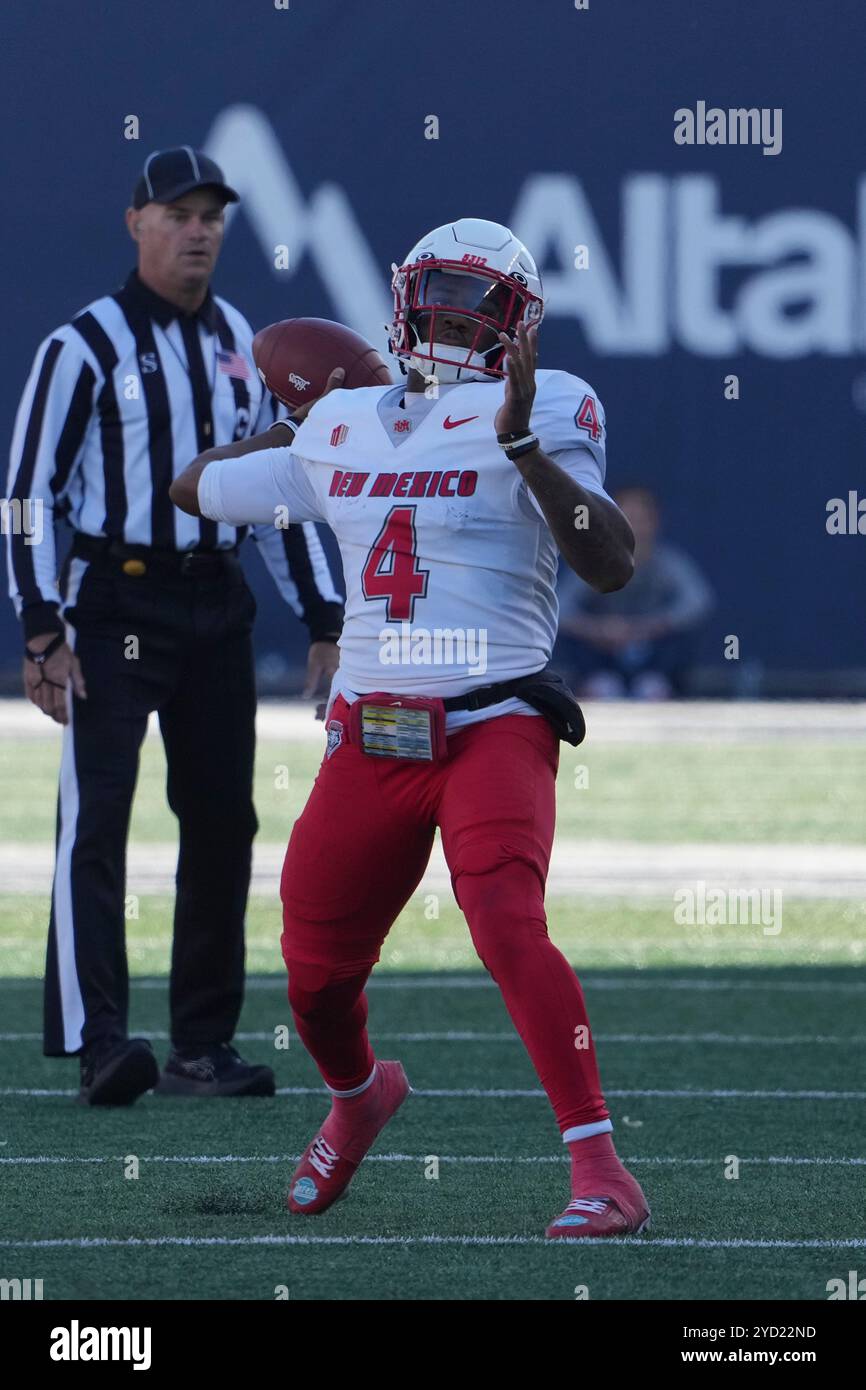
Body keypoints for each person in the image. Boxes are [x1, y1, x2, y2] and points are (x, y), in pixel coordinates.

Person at [171, 218, 651, 1239]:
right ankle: (357, 1097)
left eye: (476, 300)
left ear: (517, 323)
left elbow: (608, 561)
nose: (449, 316)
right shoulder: (342, 423)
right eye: (437, 291)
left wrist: (520, 442)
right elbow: (196, 487)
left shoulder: (549, 404)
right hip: (371, 735)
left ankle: (602, 1171)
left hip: (494, 722)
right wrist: (295, 419)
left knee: (505, 924)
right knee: (311, 979)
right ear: (400, 297)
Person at [5, 147, 342, 1106]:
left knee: (223, 821)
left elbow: (278, 493)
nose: (198, 231)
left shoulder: (247, 341)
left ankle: (201, 1042)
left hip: (213, 601)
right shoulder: (84, 346)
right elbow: (27, 497)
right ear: (136, 223)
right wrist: (40, 628)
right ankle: (98, 1038)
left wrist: (324, 618)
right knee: (97, 818)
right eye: (178, 213)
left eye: (212, 216)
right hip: (113, 597)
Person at [555, 484, 714, 698]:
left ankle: (662, 692)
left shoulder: (668, 563)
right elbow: (560, 607)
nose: (634, 528)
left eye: (641, 521)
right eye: (626, 519)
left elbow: (697, 602)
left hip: (654, 657)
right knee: (582, 655)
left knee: (678, 645)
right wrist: (598, 629)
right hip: (602, 654)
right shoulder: (593, 562)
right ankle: (595, 689)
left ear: (655, 523)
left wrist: (646, 627)